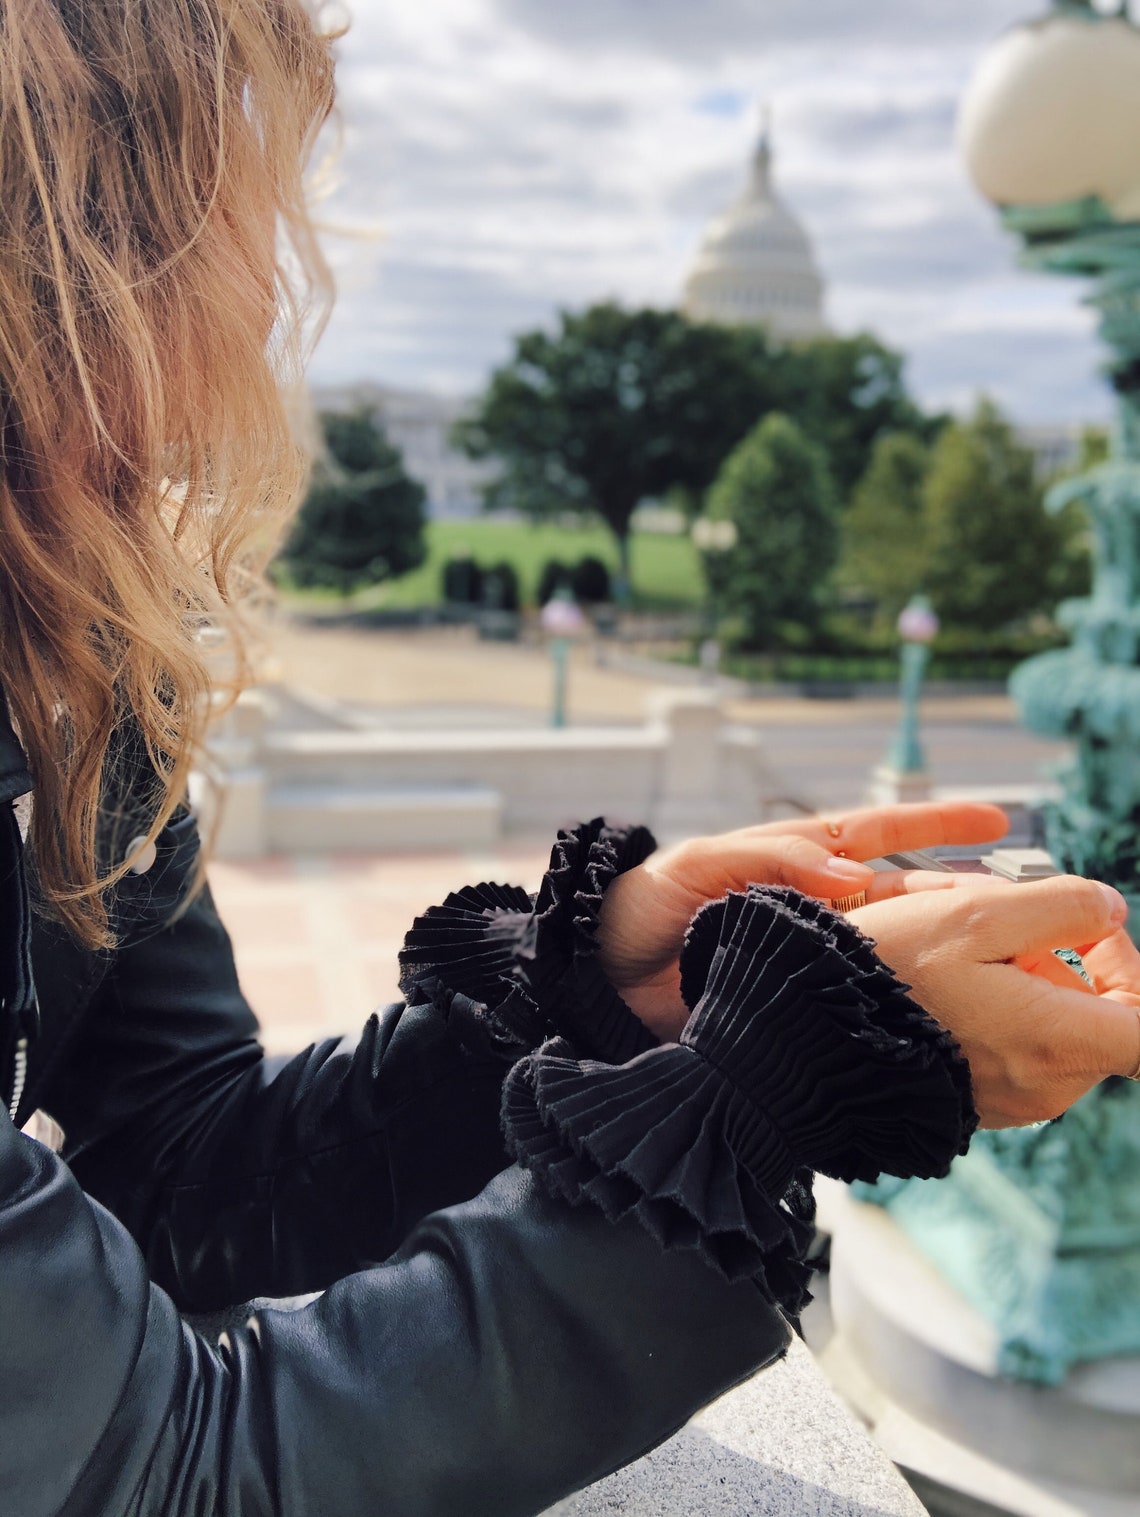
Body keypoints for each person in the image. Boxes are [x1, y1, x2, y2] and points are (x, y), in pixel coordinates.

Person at [3, 5, 1140, 1516]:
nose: (263, 305)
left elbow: (182, 1166)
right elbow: (152, 1474)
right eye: (228, 232)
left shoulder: (72, 674)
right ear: (75, 272)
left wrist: (597, 1003)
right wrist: (771, 1098)